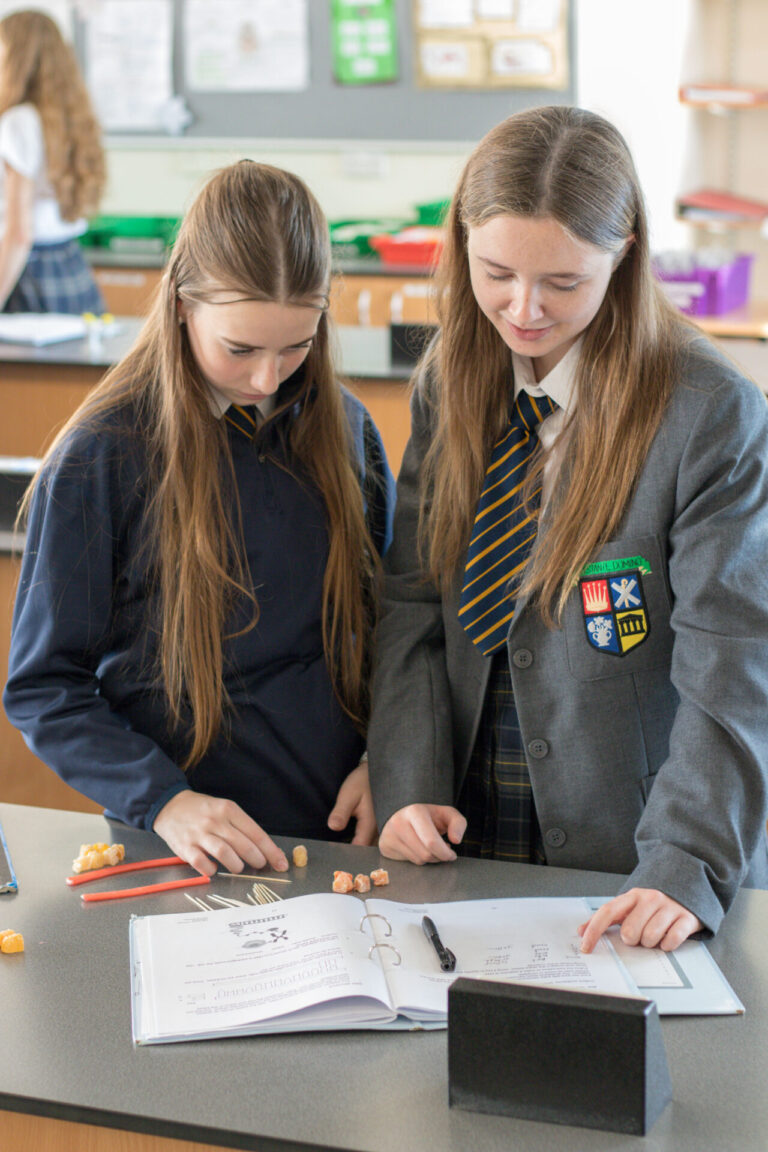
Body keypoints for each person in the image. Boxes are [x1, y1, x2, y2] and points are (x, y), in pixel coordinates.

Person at [367, 105, 768, 952]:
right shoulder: (452, 376)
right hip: (470, 814)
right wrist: (406, 781)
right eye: (497, 272)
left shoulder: (708, 412)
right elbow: (411, 603)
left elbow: (732, 659)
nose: (523, 310)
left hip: (641, 838)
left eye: (563, 283)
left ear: (623, 258)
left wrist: (686, 858)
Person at [4, 159, 395, 876]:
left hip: (340, 837)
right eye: (240, 349)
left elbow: (396, 625)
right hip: (179, 847)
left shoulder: (348, 429)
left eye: (297, 347)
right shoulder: (103, 456)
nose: (266, 379)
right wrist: (164, 801)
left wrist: (388, 758)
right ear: (182, 303)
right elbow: (44, 687)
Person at [0, 9, 105, 312]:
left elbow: (19, 233)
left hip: (26, 272)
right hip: (70, 263)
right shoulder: (69, 119)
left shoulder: (17, 122)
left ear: (16, 58)